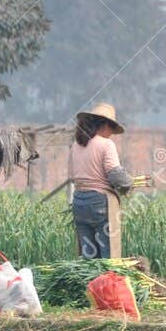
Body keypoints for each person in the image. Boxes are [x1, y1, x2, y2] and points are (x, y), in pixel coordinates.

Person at [69, 102, 138, 259]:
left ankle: (89, 282)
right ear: (105, 124)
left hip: (79, 203)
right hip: (99, 202)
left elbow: (73, 176)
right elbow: (116, 176)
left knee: (88, 255)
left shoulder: (76, 145)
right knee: (109, 253)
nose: (112, 133)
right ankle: (108, 281)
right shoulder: (106, 144)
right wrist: (129, 184)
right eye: (111, 128)